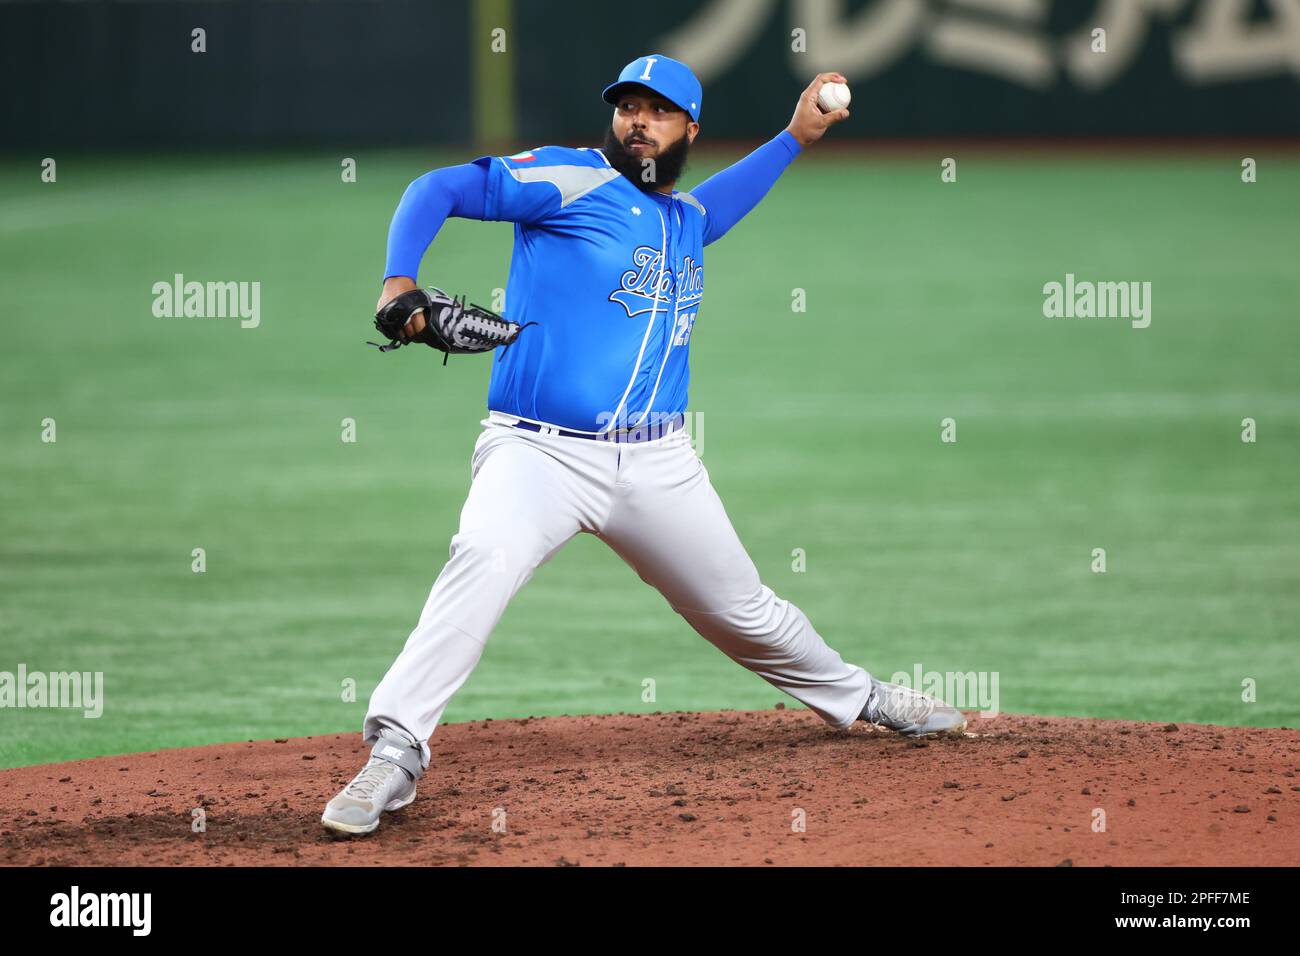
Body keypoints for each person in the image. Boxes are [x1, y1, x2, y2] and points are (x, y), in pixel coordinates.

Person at [322, 54, 965, 836]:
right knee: (481, 563)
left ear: (688, 129)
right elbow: (438, 189)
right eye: (627, 105)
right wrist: (399, 280)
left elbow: (721, 202)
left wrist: (796, 136)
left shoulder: (683, 220)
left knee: (743, 609)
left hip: (659, 463)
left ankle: (860, 697)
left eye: (657, 110)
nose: (637, 120)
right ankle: (394, 753)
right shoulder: (568, 181)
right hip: (539, 455)